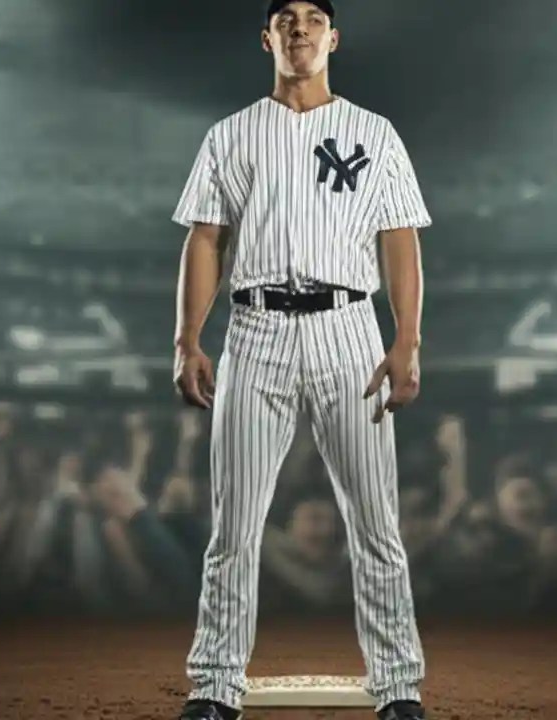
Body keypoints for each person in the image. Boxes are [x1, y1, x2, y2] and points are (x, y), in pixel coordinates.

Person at [169, 1, 433, 718]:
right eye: (286, 17)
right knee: (234, 526)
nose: (300, 27)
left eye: (315, 17)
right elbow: (205, 239)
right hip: (254, 328)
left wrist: (405, 338)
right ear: (268, 38)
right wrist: (187, 338)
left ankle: (399, 686)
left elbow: (400, 237)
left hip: (349, 327)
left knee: (375, 521)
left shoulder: (372, 133)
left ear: (334, 38)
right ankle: (215, 686)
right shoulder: (231, 134)